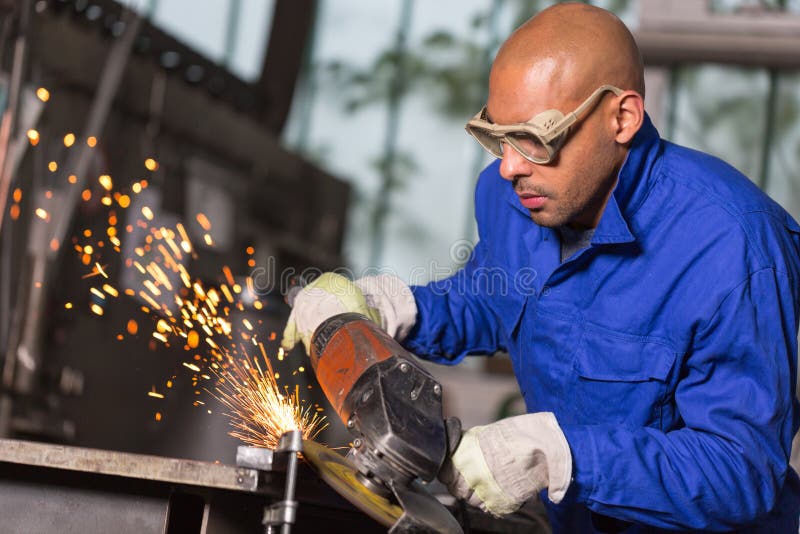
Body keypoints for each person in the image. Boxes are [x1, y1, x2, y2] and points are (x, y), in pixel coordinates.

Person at [282, 3, 800, 532]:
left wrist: (562, 456)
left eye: (534, 138)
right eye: (496, 136)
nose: (509, 166)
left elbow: (742, 471)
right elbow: (492, 299)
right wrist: (392, 306)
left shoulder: (734, 246)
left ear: (622, 118)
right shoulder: (515, 196)